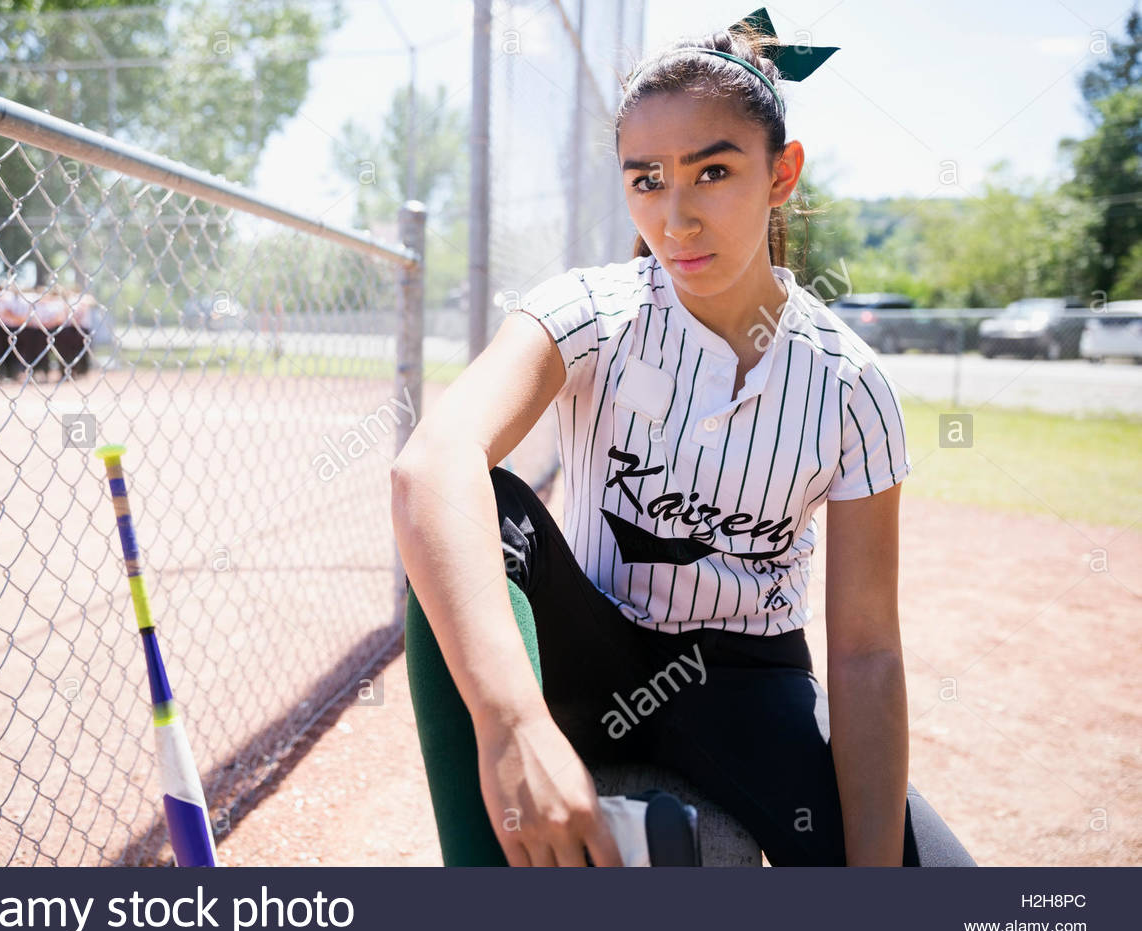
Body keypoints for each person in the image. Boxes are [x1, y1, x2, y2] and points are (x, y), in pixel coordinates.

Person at [390, 9, 977, 867]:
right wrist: (514, 725)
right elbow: (430, 464)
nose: (677, 216)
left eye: (712, 171)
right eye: (647, 178)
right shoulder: (590, 310)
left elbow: (865, 652)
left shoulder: (850, 385)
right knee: (483, 514)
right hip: (588, 654)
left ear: (781, 175)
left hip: (746, 681)